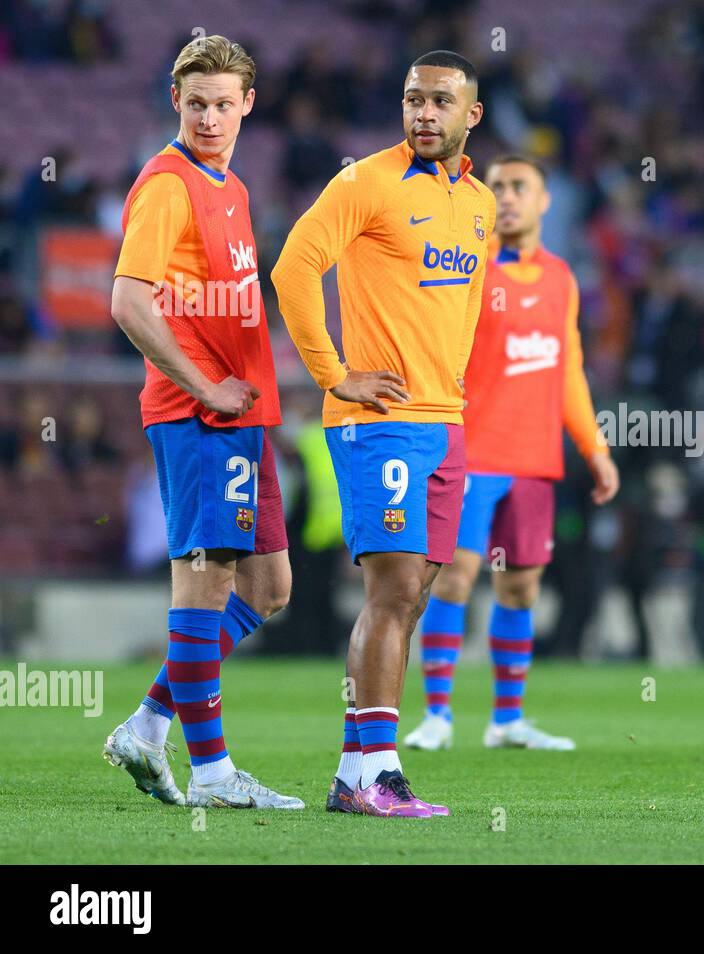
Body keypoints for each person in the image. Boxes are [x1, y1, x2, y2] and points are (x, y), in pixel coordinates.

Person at [272, 50, 494, 818]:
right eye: (411, 100)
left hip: (445, 422)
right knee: (394, 589)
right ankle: (378, 774)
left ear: (474, 116)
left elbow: (459, 314)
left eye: (439, 101)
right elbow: (294, 267)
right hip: (381, 421)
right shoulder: (364, 181)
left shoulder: (481, 206)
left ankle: (352, 771)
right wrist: (333, 373)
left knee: (417, 593)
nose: (424, 114)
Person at [103, 35, 299, 809]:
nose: (210, 118)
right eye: (196, 104)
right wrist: (202, 385)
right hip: (197, 413)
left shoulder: (234, 187)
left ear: (248, 103)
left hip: (246, 413)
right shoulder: (167, 184)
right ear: (174, 102)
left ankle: (149, 725)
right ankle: (214, 774)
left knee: (270, 584)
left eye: (223, 104)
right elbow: (128, 300)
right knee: (210, 578)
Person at [404, 154, 618, 752]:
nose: (509, 196)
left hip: (534, 458)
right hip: (470, 452)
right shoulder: (467, 269)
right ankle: (438, 716)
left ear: (546, 200)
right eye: (498, 187)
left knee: (521, 588)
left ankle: (507, 720)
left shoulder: (561, 278)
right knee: (452, 580)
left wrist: (594, 448)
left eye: (521, 186)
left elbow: (568, 369)